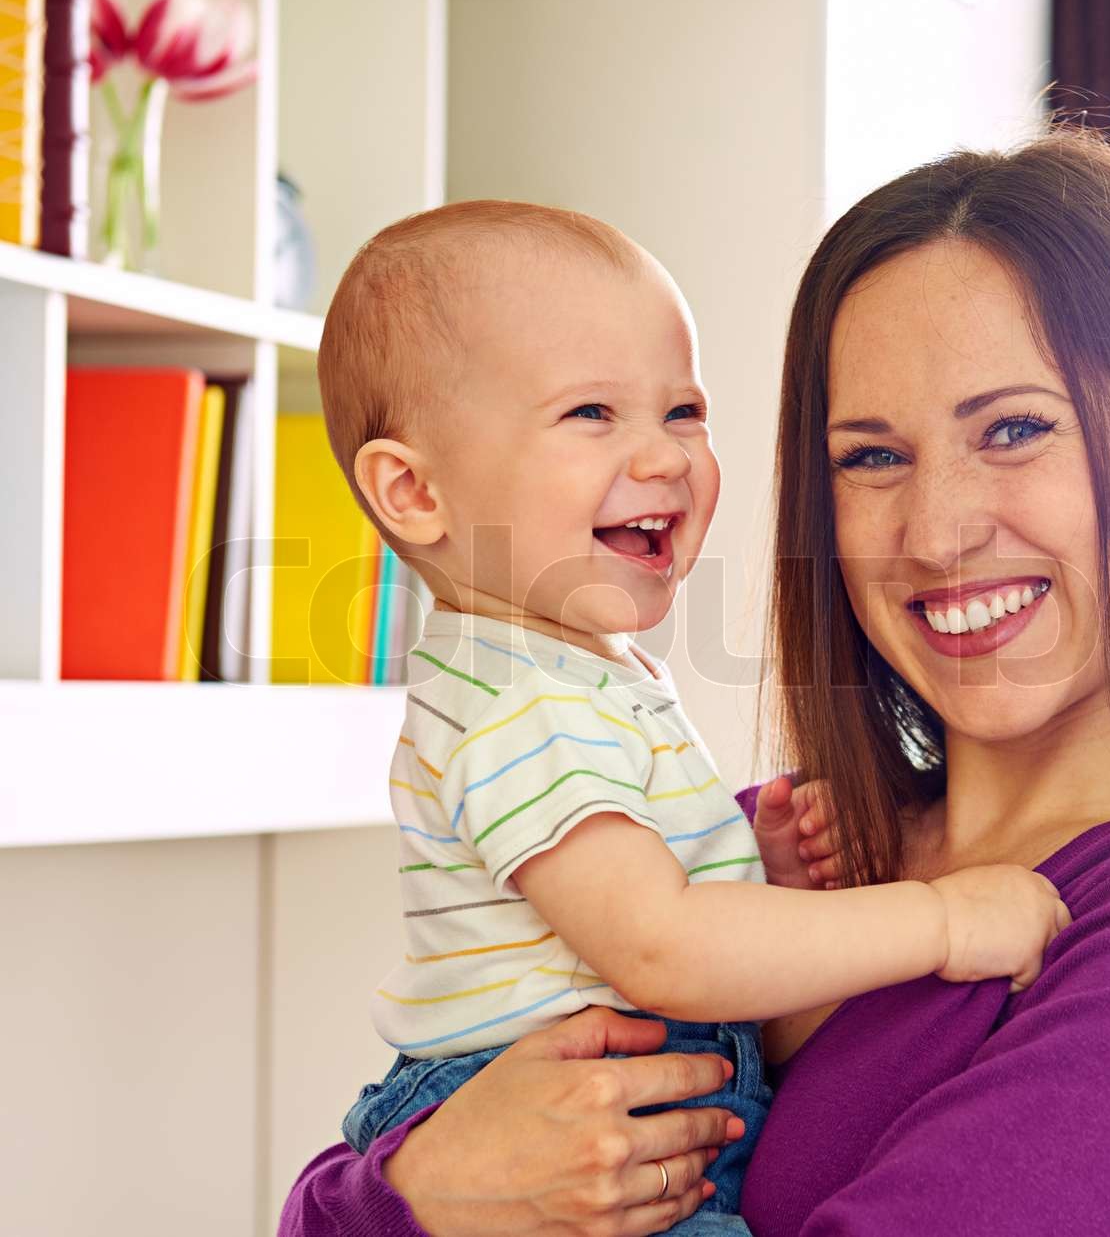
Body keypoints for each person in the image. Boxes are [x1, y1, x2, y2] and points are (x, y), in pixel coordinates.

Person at [281, 129, 1110, 1236]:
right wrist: (416, 1191)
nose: (937, 529)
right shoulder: (758, 856)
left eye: (1014, 429)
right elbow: (337, 1190)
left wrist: (412, 1203)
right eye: (869, 455)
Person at [306, 201, 1070, 1235]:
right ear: (413, 491)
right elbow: (661, 949)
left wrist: (742, 867)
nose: (665, 458)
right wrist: (942, 922)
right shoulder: (523, 706)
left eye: (682, 412)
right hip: (577, 1110)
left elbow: (639, 912)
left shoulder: (559, 675)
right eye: (591, 414)